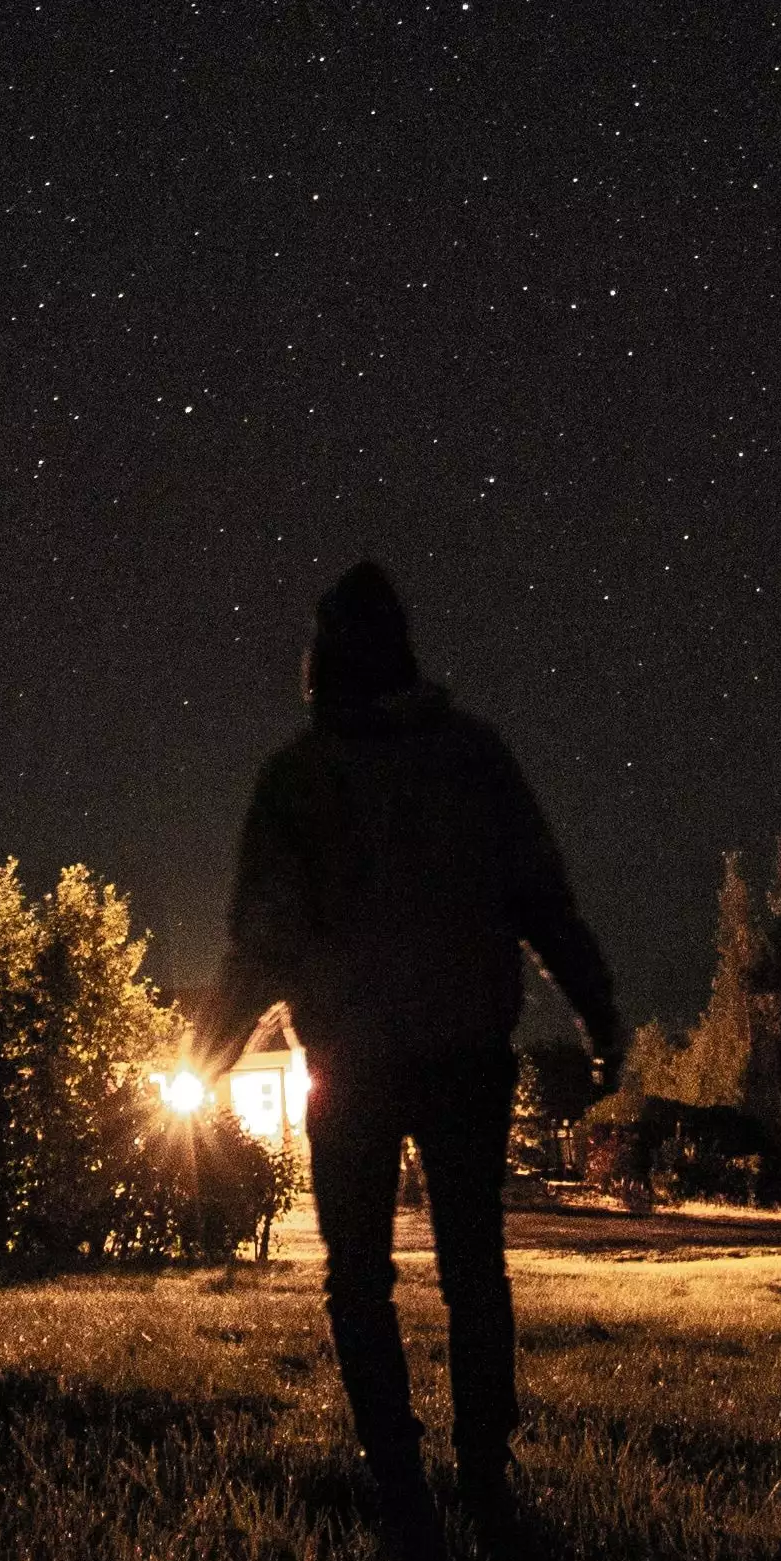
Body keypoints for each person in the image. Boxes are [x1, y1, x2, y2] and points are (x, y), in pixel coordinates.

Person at [192, 561, 625, 1511]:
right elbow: (541, 901)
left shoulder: (298, 778)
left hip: (350, 1060)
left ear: (323, 661)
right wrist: (598, 1013)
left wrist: (206, 1051)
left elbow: (258, 942)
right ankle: (482, 1466)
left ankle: (393, 1463)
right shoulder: (474, 756)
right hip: (467, 1047)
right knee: (475, 1267)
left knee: (359, 1276)